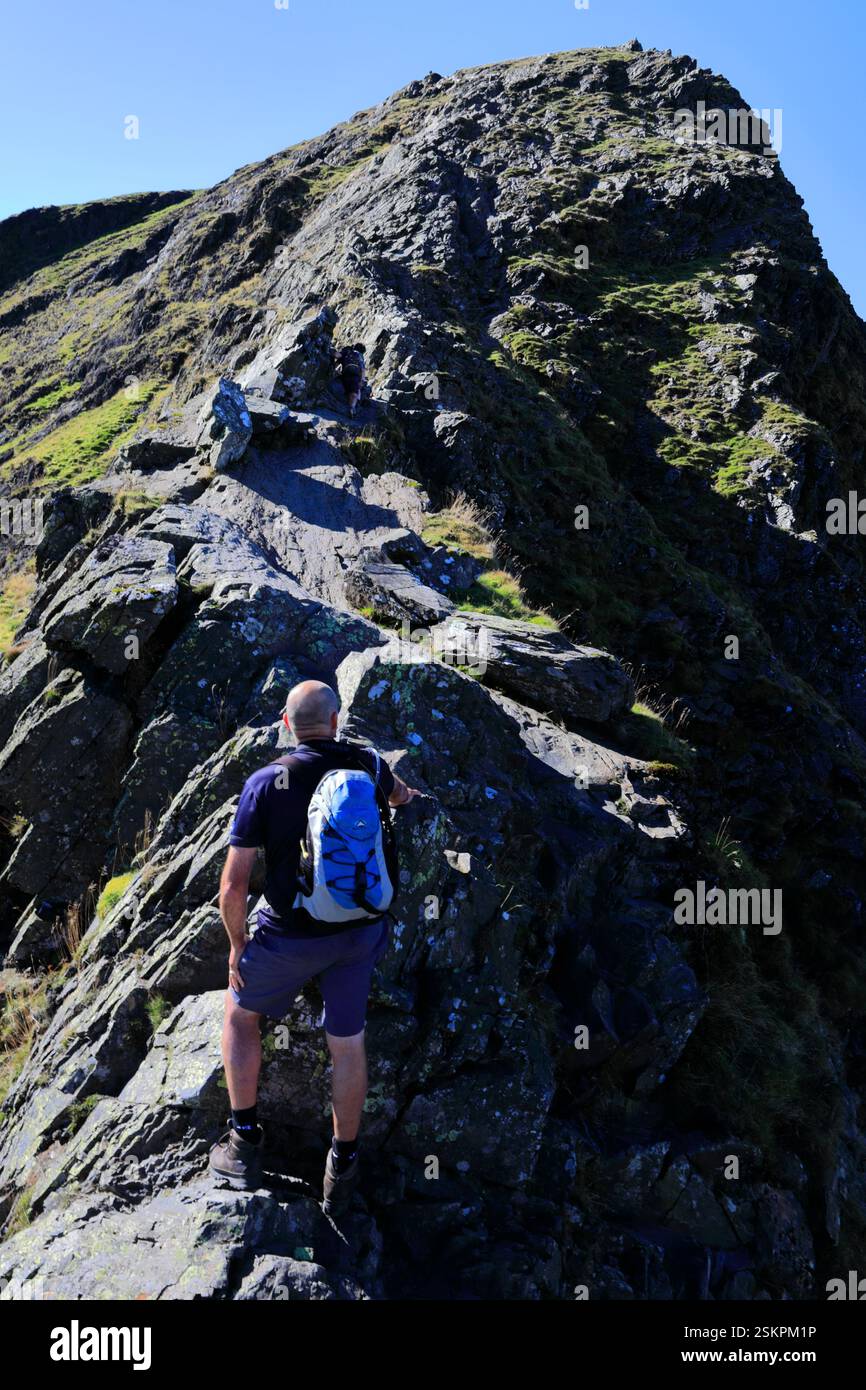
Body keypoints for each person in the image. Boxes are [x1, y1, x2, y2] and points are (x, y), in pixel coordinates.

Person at [208, 680, 420, 1212]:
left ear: (286, 724)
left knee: (239, 1014)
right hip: (359, 933)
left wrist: (238, 946)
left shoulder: (266, 781)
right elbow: (399, 797)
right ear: (334, 721)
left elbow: (233, 886)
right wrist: (406, 795)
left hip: (289, 935)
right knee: (347, 1043)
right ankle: (342, 1164)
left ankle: (244, 1141)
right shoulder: (369, 766)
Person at [334, 343, 367, 418]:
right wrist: (362, 380)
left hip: (345, 374)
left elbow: (337, 358)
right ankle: (352, 408)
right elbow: (362, 369)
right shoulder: (360, 356)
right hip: (355, 376)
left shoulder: (347, 351)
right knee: (355, 392)